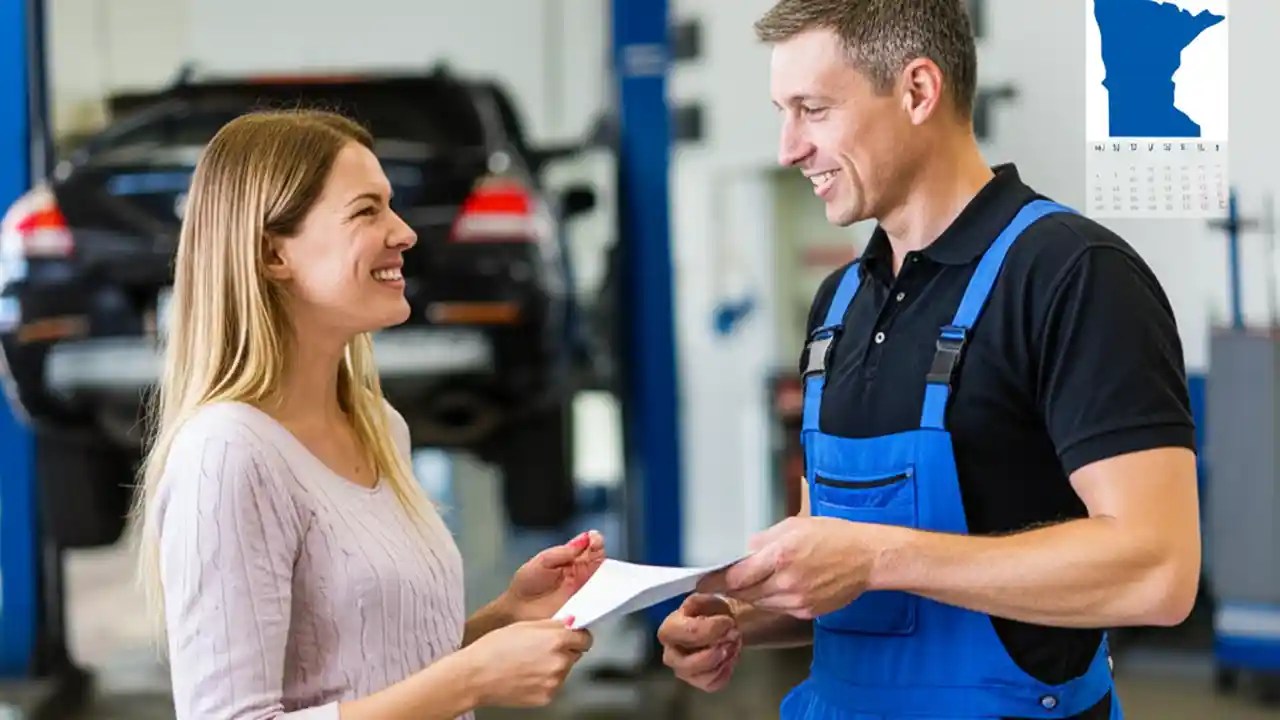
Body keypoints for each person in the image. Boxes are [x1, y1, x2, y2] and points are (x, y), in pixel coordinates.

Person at [657, 1, 1201, 718]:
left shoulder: (1073, 275)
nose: (788, 147)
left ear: (918, 91)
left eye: (813, 109)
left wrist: (880, 556)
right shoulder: (840, 303)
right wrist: (738, 618)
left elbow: (1158, 571)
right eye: (782, 112)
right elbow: (840, 574)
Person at [133, 109, 602, 720]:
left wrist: (504, 618)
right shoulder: (228, 453)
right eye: (366, 210)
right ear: (274, 255)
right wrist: (471, 679)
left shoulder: (379, 423)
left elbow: (375, 672)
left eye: (391, 205)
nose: (404, 232)